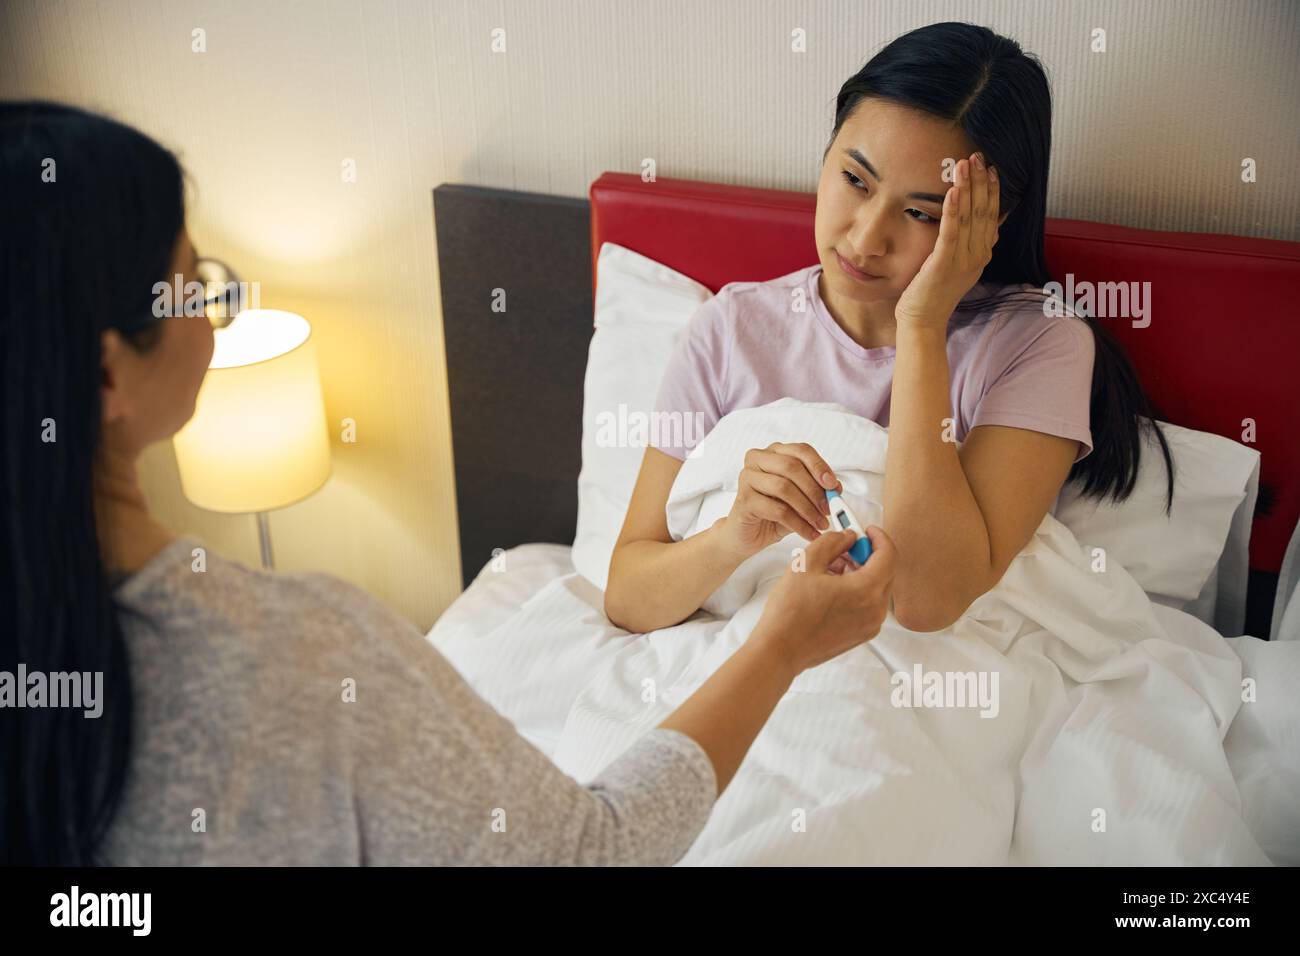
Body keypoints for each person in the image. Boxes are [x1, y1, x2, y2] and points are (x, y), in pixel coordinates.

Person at [0, 100, 897, 866]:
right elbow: (593, 850)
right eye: (193, 285)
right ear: (112, 376)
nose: (212, 308)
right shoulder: (302, 653)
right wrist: (778, 646)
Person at [606, 21, 1173, 636]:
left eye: (920, 213)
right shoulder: (729, 330)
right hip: (752, 661)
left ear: (989, 219)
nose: (866, 238)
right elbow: (628, 597)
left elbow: (926, 601)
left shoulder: (1040, 343)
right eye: (855, 180)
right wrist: (731, 537)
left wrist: (923, 327)